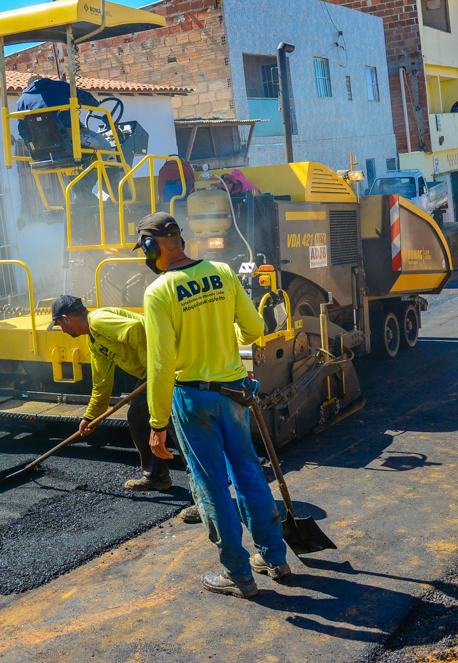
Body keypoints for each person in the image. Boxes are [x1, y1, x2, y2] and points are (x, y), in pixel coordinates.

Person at [140, 211, 289, 598]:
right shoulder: (222, 272)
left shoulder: (159, 291)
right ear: (181, 240)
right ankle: (274, 556)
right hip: (234, 394)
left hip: (193, 399)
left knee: (211, 485)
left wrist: (157, 423)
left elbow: (160, 364)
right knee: (248, 473)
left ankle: (238, 575)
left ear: (150, 246)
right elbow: (255, 329)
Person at [47, 294, 201, 523]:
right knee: (138, 416)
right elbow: (101, 385)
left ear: (66, 319)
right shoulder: (94, 340)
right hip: (154, 372)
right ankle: (156, 475)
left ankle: (206, 497)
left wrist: (154, 369)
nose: (59, 329)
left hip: (169, 366)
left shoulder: (98, 320)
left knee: (174, 425)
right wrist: (91, 417)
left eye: (58, 324)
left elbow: (137, 328)